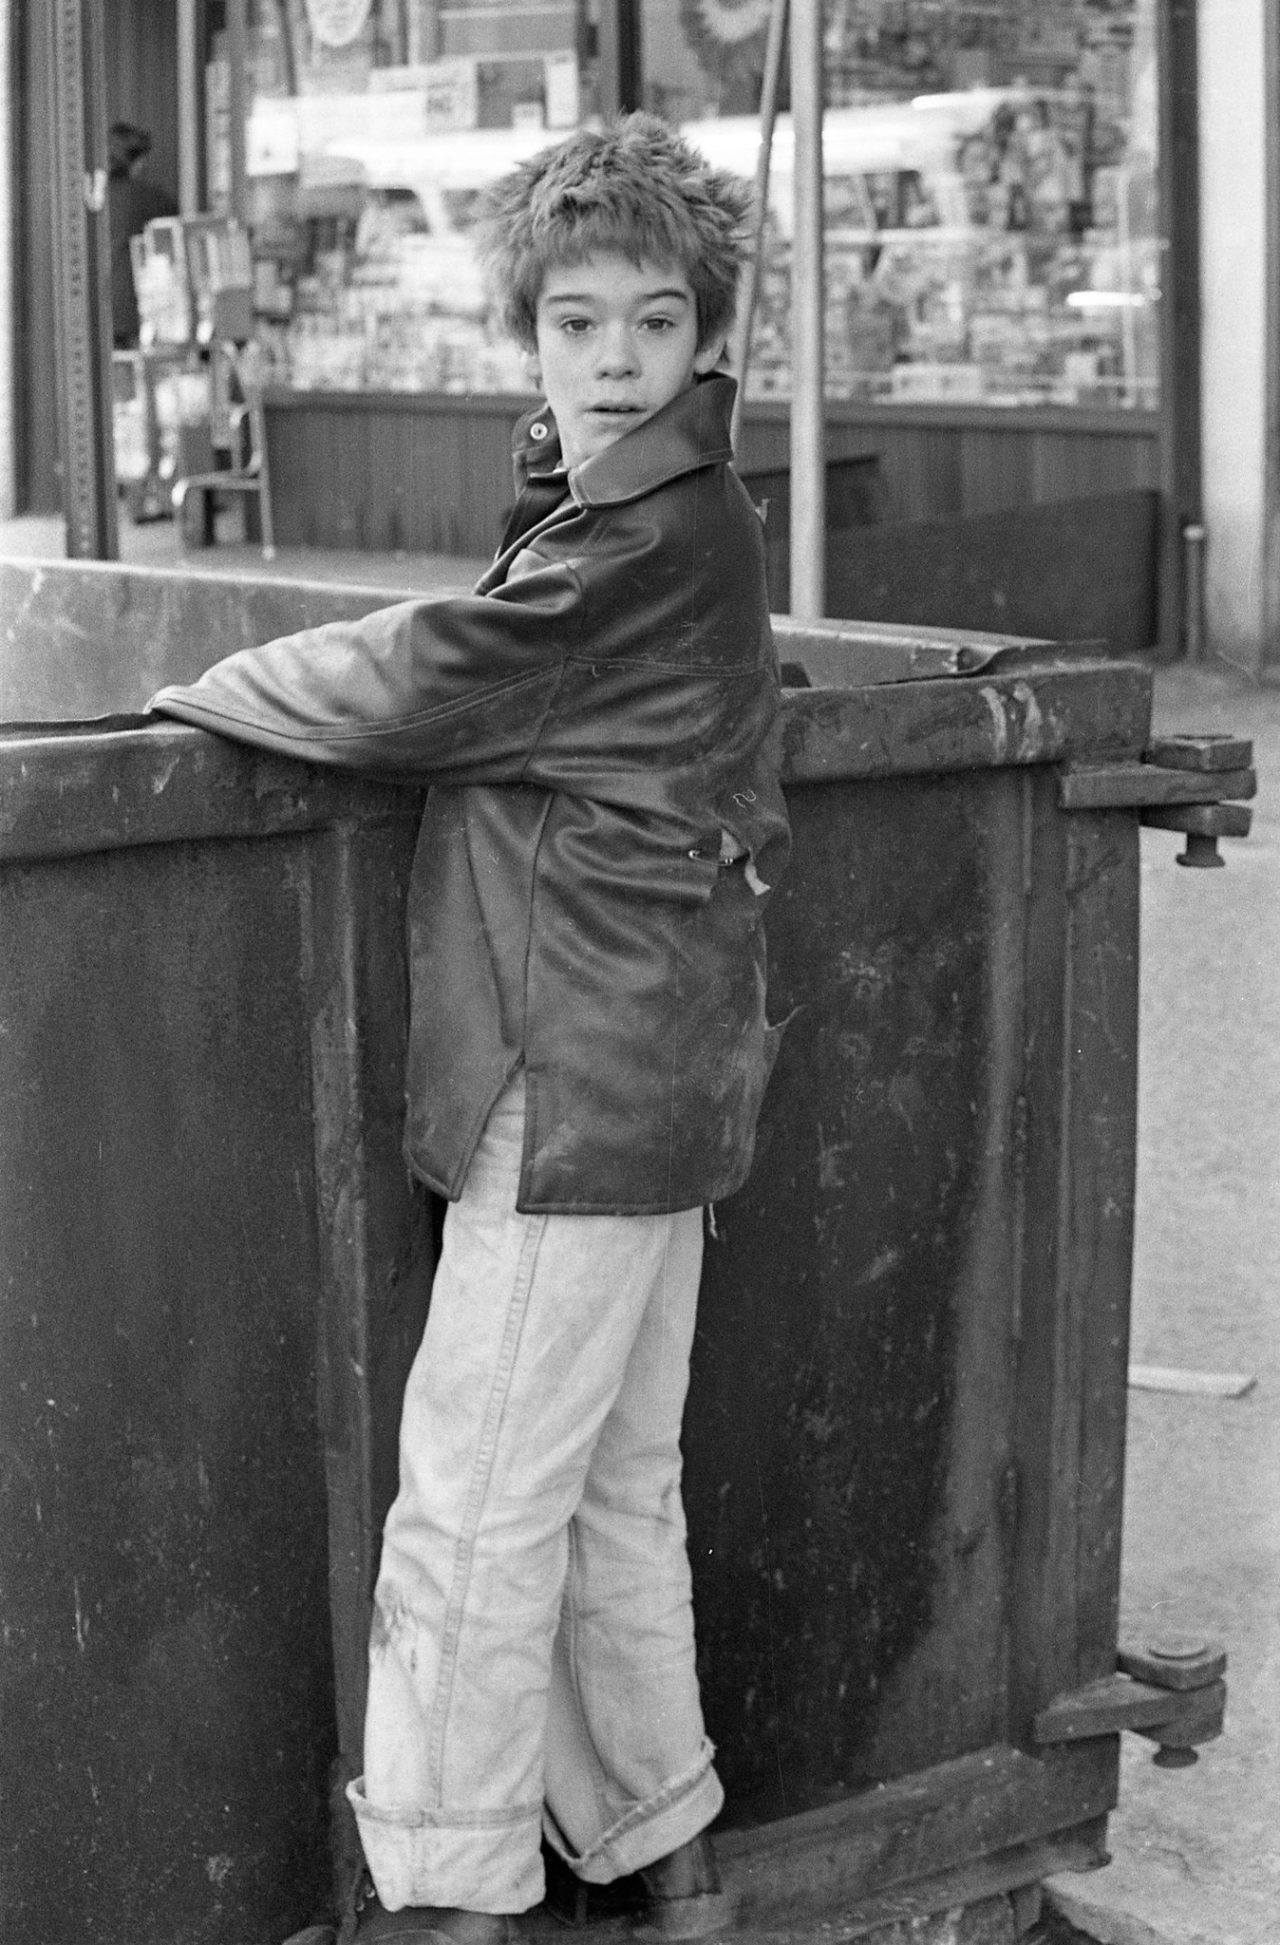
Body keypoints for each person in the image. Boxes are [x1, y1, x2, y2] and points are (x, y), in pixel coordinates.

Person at [147, 113, 790, 1945]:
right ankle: (672, 1856)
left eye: (651, 327)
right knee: (605, 1489)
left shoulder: (640, 538)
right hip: (658, 1068)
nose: (611, 361)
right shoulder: (657, 517)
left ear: (703, 341)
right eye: (577, 325)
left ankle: (449, 1899)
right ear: (530, 338)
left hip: (583, 1077)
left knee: (474, 1507)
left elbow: (423, 681)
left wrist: (197, 685)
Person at [107, 121, 178, 348]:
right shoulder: (152, 199)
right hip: (136, 312)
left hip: (93, 311)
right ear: (138, 162)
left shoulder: (91, 199)